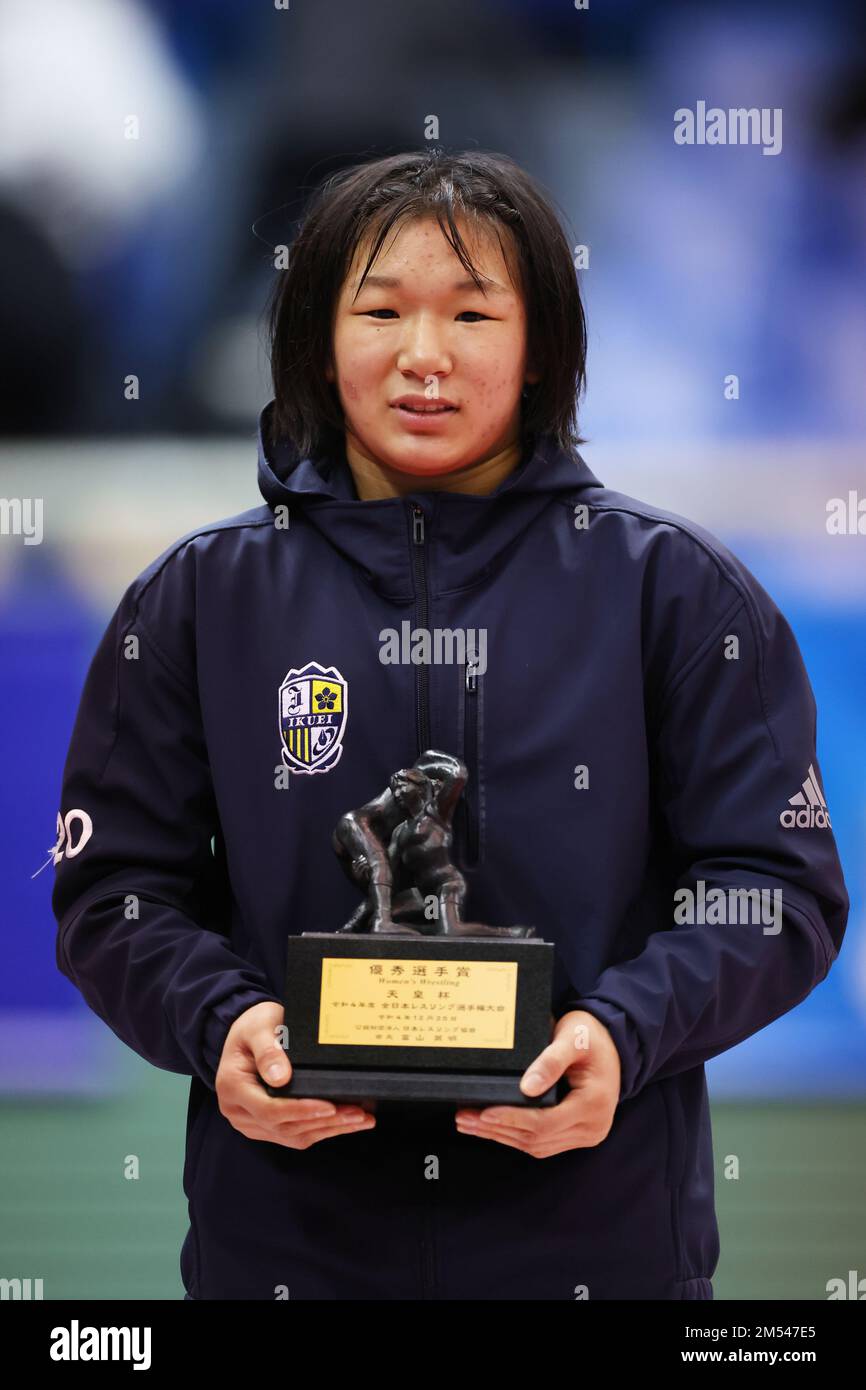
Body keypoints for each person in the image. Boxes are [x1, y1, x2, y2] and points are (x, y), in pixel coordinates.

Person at [52, 147, 849, 1300]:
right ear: (318, 341)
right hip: (285, 1257)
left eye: (472, 313)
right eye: (378, 309)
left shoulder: (674, 593)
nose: (422, 356)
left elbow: (776, 887)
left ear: (541, 351)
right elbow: (115, 893)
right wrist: (221, 1022)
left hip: (601, 1255)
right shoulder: (197, 599)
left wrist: (621, 1034)